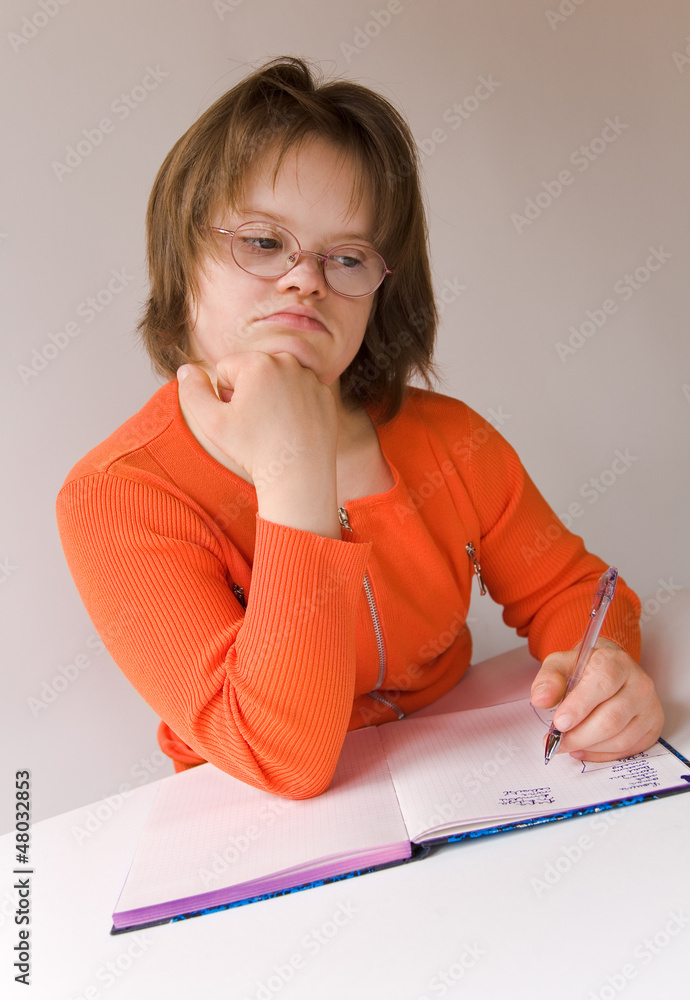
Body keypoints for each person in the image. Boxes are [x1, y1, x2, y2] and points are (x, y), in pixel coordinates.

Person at [56, 56, 663, 799]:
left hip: (464, 791)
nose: (305, 279)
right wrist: (293, 470)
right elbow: (283, 759)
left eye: (346, 257)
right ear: (183, 261)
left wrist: (597, 671)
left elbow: (573, 591)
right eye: (263, 241)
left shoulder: (452, 441)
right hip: (265, 840)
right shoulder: (117, 496)